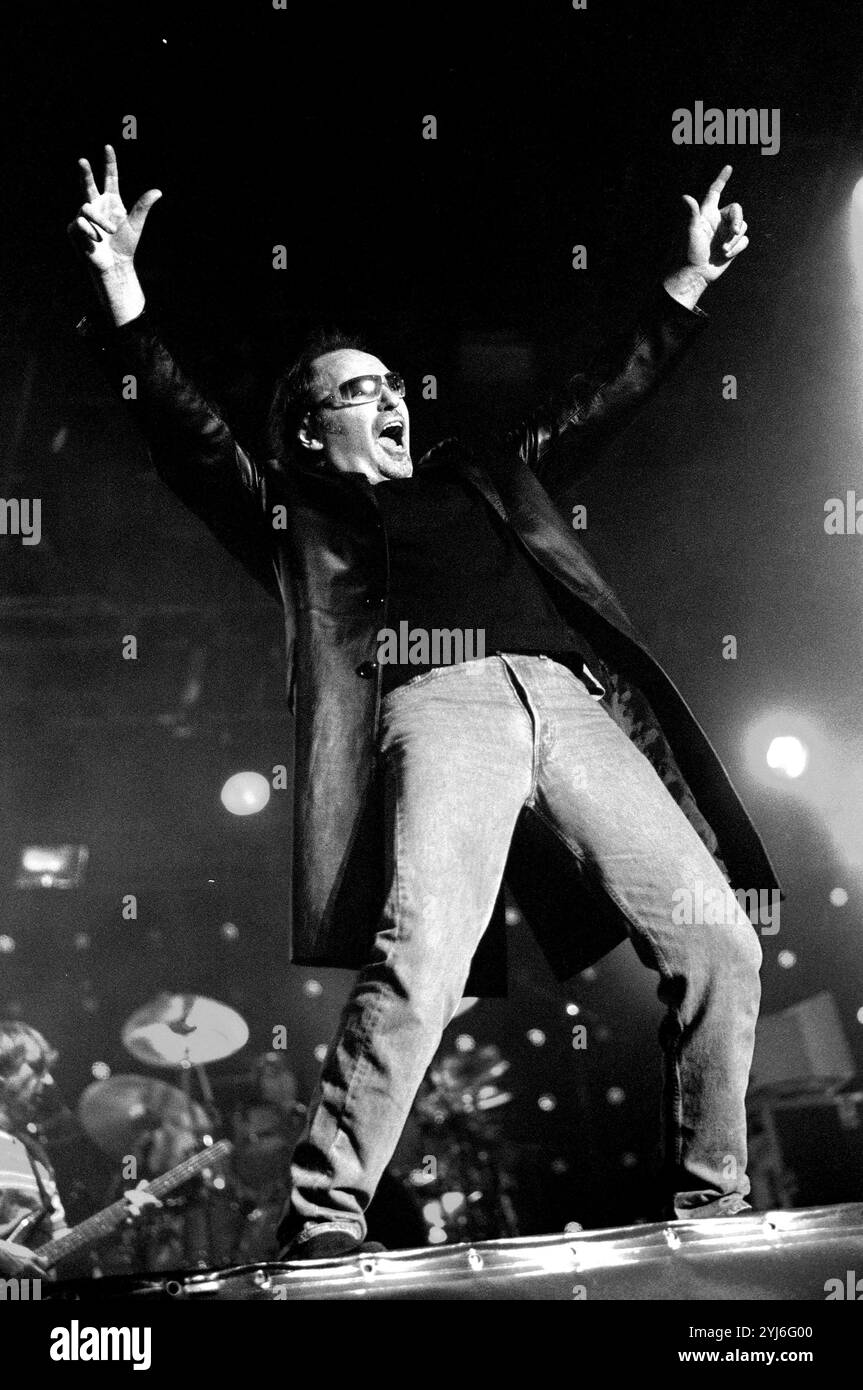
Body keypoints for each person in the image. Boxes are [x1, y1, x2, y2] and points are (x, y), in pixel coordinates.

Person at [69, 147, 779, 1260]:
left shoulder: (481, 475)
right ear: (311, 429)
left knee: (721, 943)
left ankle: (712, 1205)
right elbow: (192, 437)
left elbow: (604, 398)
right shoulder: (299, 517)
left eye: (393, 382)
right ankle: (321, 1218)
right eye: (360, 390)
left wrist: (684, 285)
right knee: (422, 964)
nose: (391, 398)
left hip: (567, 704)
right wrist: (122, 288)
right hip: (436, 705)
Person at [0, 1021, 160, 1277]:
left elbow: (57, 1240)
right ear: (3, 1073)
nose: (49, 1081)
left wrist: (115, 1220)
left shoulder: (35, 1155)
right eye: (38, 1068)